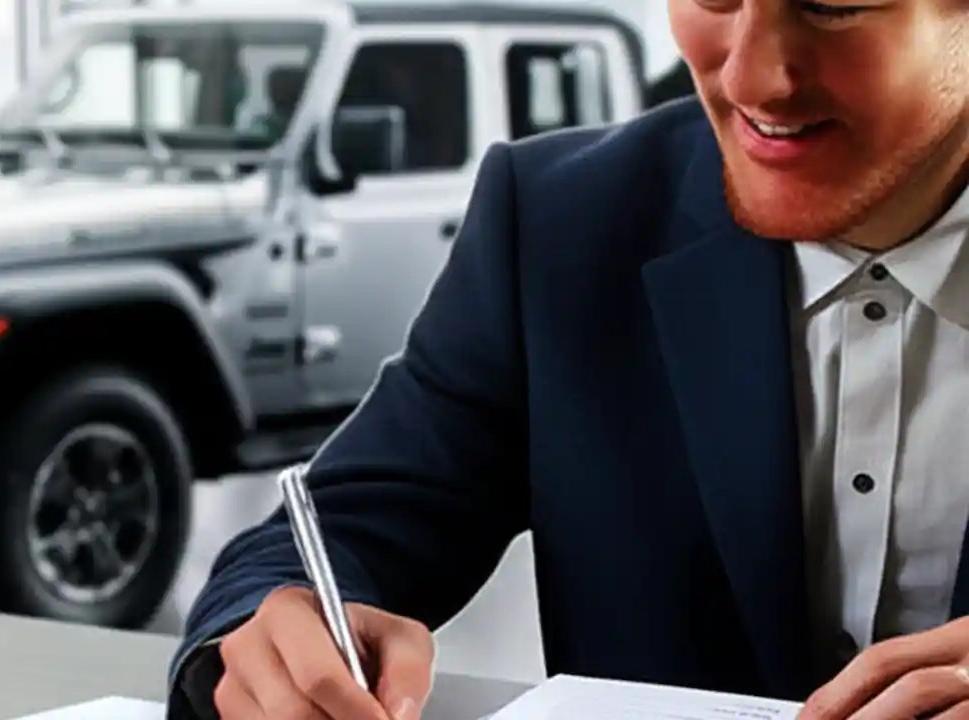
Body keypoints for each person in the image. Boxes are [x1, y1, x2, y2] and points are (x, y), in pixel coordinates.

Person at [170, 0, 969, 718]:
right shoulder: (559, 219)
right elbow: (341, 525)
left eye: (834, 6)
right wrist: (272, 632)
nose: (753, 76)